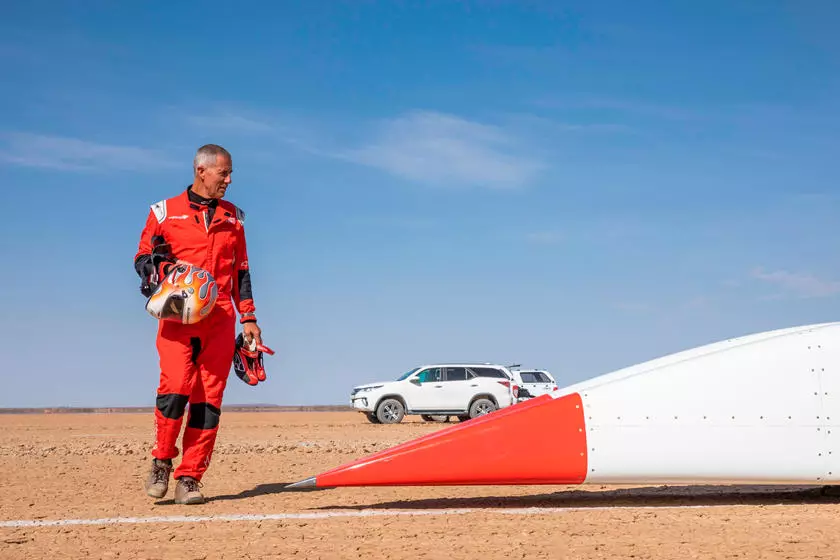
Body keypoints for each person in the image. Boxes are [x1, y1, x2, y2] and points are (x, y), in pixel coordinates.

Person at [134, 144, 262, 504]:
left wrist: (248, 316)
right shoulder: (163, 213)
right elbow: (143, 258)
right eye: (224, 172)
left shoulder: (234, 217)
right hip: (179, 316)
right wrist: (164, 271)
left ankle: (189, 477)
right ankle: (161, 459)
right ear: (202, 170)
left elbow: (242, 271)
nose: (229, 179)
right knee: (175, 389)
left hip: (220, 317)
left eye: (230, 173)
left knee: (208, 400)